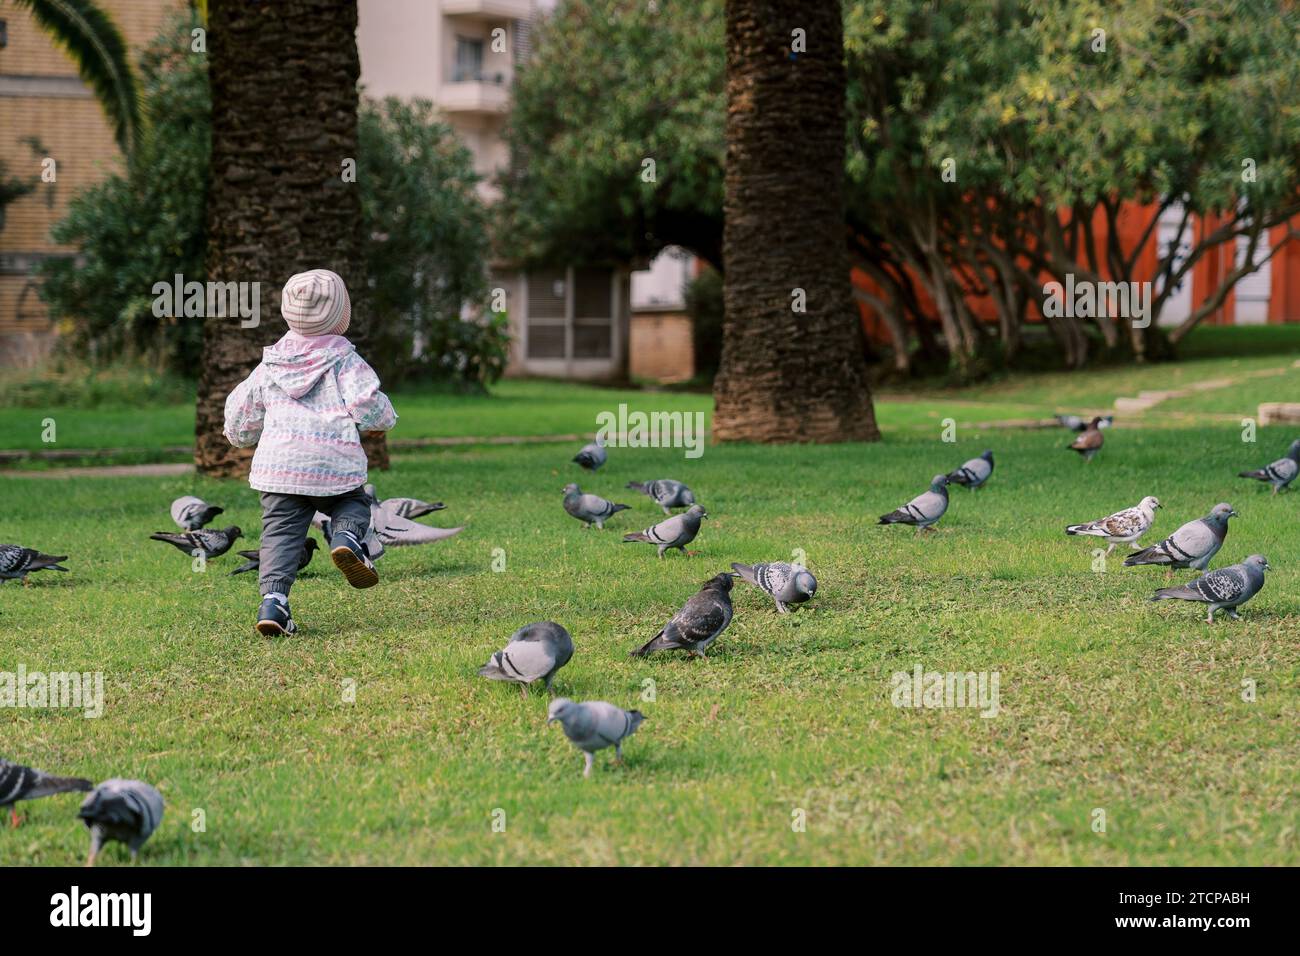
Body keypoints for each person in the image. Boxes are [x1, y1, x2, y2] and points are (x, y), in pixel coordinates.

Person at [224, 268, 397, 635]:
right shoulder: (344, 359)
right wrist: (384, 418)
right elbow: (367, 403)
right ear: (341, 315)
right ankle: (348, 537)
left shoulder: (271, 363)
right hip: (332, 463)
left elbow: (242, 410)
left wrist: (239, 435)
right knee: (352, 503)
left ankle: (274, 604)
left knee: (280, 536)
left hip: (280, 467)